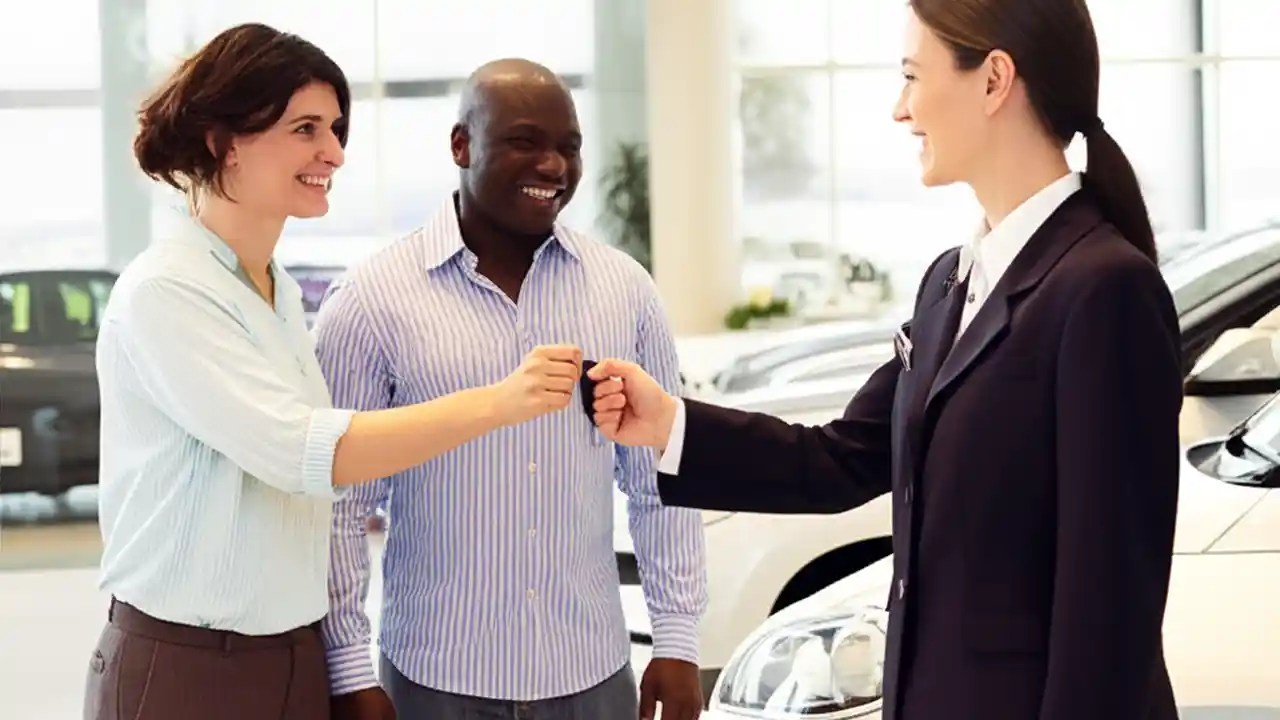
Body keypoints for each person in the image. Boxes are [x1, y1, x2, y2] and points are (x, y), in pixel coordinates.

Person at [588, 1, 1184, 719]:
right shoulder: (950, 281)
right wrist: (668, 425)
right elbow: (844, 457)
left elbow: (1107, 609)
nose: (902, 110)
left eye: (912, 76)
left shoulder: (1103, 291)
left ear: (994, 80)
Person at [86, 26, 582, 720]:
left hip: (290, 655)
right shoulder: (166, 291)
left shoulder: (274, 291)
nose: (334, 153)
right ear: (222, 140)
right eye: (306, 128)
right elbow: (305, 451)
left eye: (337, 128)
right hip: (189, 669)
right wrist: (499, 403)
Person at [315, 59, 708, 720]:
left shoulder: (625, 292)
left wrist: (677, 639)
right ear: (461, 145)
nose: (553, 165)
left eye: (570, 147)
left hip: (593, 677)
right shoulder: (370, 302)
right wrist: (350, 669)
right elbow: (339, 508)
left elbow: (659, 480)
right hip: (432, 679)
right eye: (526, 141)